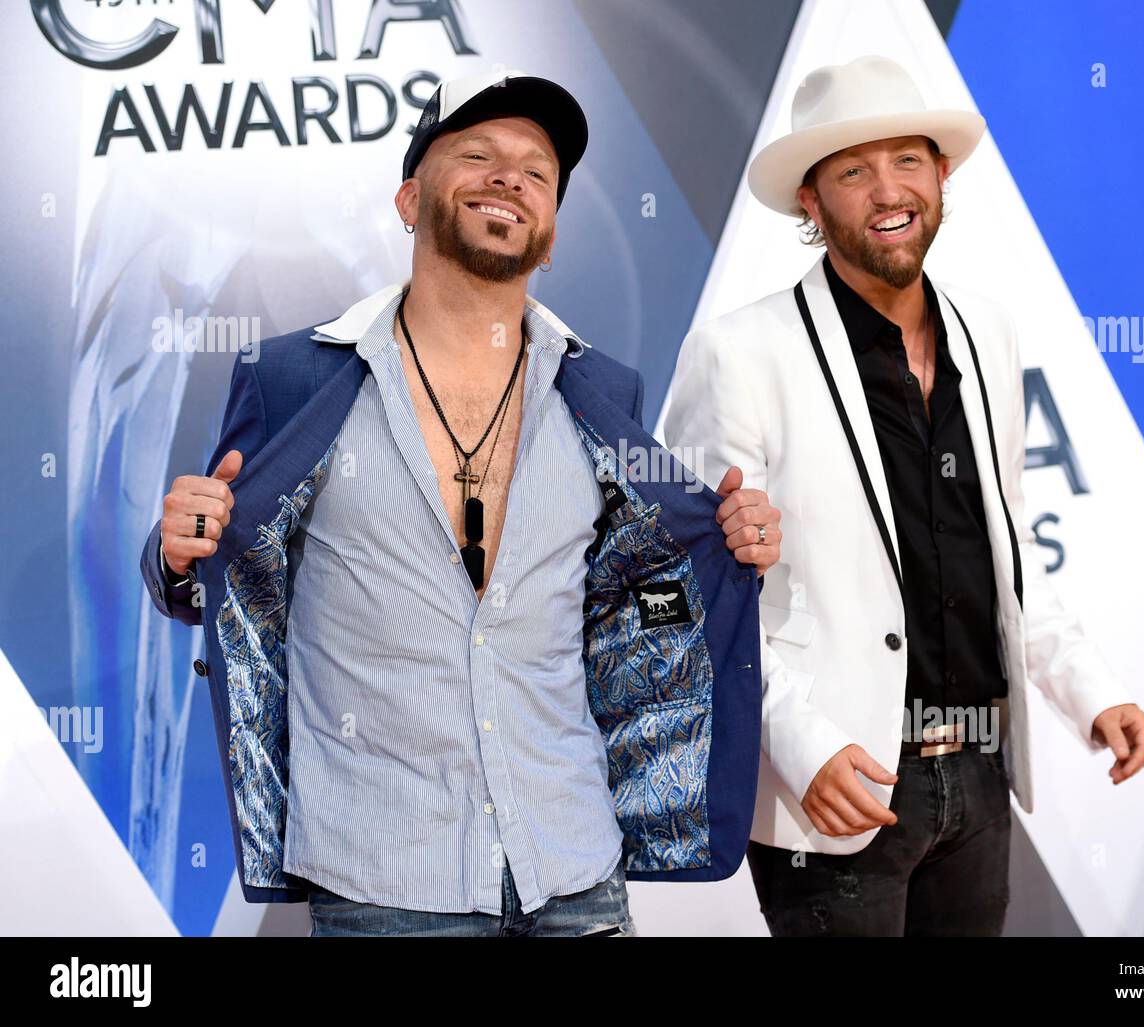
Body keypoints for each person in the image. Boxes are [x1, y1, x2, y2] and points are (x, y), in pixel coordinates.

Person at [140, 68, 780, 937]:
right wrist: (175, 553)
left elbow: (622, 602)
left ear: (549, 236)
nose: (509, 176)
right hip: (386, 887)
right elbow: (222, 570)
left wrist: (727, 543)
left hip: (576, 879)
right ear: (411, 198)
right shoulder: (293, 379)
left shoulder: (601, 390)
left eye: (536, 172)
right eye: (477, 153)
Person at [662, 55, 1144, 937]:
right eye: (853, 170)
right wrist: (803, 746)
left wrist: (1089, 689)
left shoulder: (988, 333)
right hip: (839, 789)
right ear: (811, 200)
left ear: (943, 175)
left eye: (908, 161)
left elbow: (996, 552)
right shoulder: (739, 352)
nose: (888, 189)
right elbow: (698, 603)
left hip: (978, 777)